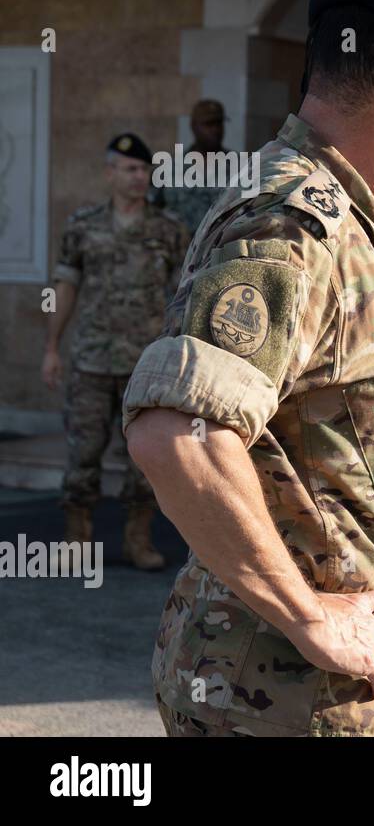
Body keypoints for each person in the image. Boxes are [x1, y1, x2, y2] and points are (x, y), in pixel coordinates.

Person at [121, 0, 374, 736]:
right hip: (292, 704)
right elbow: (176, 435)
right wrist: (306, 615)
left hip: (345, 699)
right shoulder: (295, 226)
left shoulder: (349, 219)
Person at [43, 133, 190, 570]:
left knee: (144, 460)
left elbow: (183, 295)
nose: (139, 177)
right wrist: (52, 346)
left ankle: (137, 540)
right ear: (109, 173)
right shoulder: (82, 226)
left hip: (144, 367)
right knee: (82, 455)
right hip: (90, 361)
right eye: (129, 169)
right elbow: (64, 287)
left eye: (144, 170)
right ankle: (77, 541)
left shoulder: (169, 230)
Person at [151, 99, 232, 233]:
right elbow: (151, 210)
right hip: (180, 249)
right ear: (193, 126)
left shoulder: (241, 168)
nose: (215, 130)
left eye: (219, 124)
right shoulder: (170, 167)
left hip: (222, 249)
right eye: (208, 124)